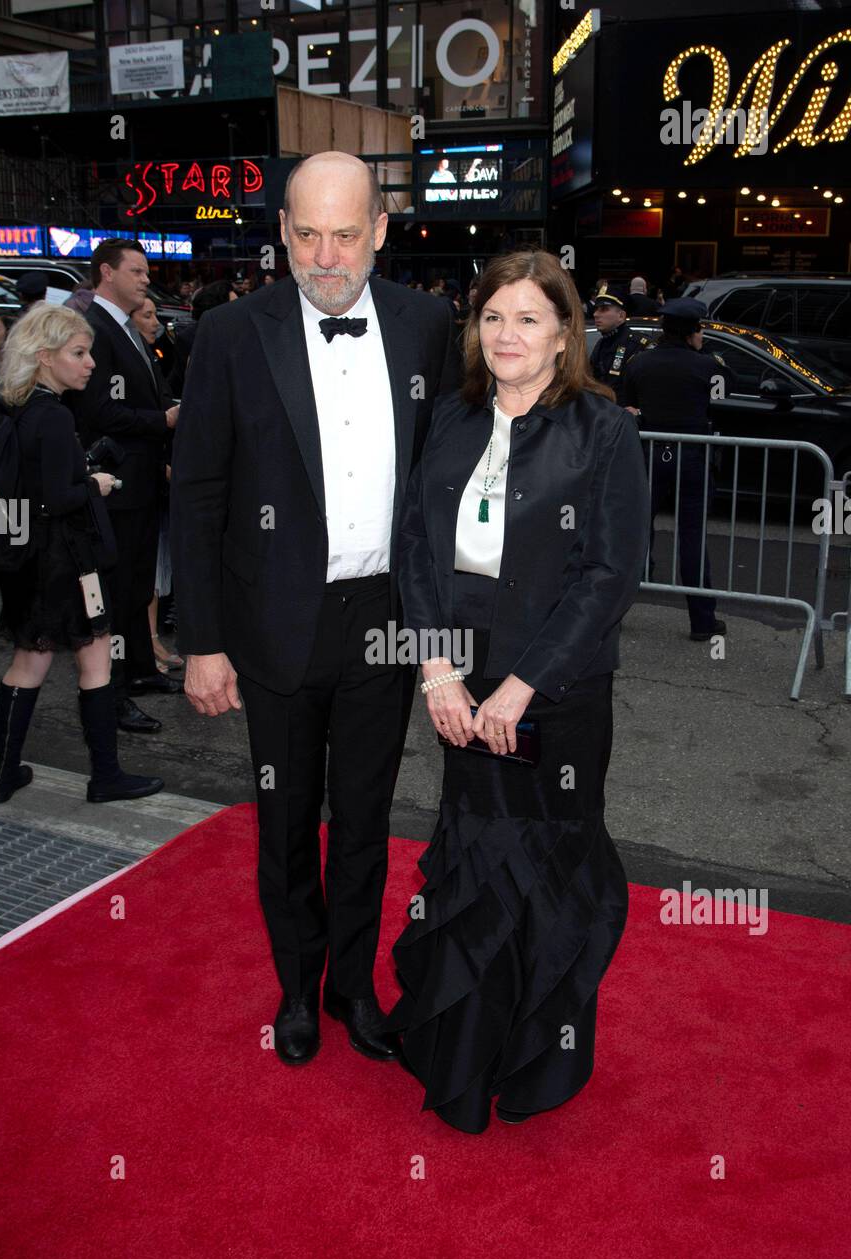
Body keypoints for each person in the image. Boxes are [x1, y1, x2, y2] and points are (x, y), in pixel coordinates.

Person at [171, 151, 461, 1068]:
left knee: (366, 822)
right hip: (274, 623)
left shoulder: (427, 324)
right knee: (287, 820)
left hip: (386, 619)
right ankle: (298, 989)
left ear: (380, 230)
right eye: (306, 236)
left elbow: (448, 475)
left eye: (344, 235)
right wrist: (201, 642)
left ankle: (352, 986)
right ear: (282, 234)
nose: (326, 258)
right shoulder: (230, 332)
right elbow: (198, 494)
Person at [385, 249, 650, 1133]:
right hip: (458, 684)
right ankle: (461, 1055)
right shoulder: (452, 418)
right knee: (473, 863)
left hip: (559, 696)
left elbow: (609, 576)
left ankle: (535, 1059)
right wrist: (437, 669)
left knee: (548, 870)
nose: (507, 334)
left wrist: (524, 686)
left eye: (529, 318)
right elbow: (416, 548)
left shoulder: (603, 430)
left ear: (564, 333)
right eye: (493, 316)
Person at [0, 303, 163, 805]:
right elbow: (57, 498)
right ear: (45, 356)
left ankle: (4, 774)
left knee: (28, 663)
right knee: (97, 663)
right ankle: (105, 777)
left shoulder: (9, 408)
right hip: (69, 560)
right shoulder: (53, 416)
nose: (90, 364)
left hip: (25, 559)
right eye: (79, 353)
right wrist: (95, 484)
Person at [72, 238, 181, 735]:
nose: (145, 279)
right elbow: (98, 412)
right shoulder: (94, 329)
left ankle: (139, 669)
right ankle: (112, 694)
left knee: (137, 583)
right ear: (106, 273)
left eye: (146, 271)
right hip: (114, 485)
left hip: (140, 482)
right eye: (136, 271)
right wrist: (162, 420)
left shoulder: (125, 327)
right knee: (114, 592)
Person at [619, 298, 732, 641]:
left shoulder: (639, 362)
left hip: (649, 454)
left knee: (635, 534)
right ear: (693, 332)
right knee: (692, 537)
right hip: (691, 457)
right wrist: (703, 353)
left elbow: (627, 402)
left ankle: (612, 615)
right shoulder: (707, 366)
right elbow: (724, 396)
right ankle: (702, 621)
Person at [130, 296, 184, 677]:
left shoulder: (153, 356)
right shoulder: (128, 360)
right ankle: (144, 648)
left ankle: (149, 643)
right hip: (142, 479)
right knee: (144, 572)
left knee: (153, 570)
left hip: (158, 477)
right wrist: (164, 420)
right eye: (147, 316)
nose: (156, 323)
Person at [589, 288, 652, 401]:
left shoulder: (637, 344)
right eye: (596, 309)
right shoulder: (601, 343)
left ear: (621, 316)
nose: (595, 314)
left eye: (603, 309)